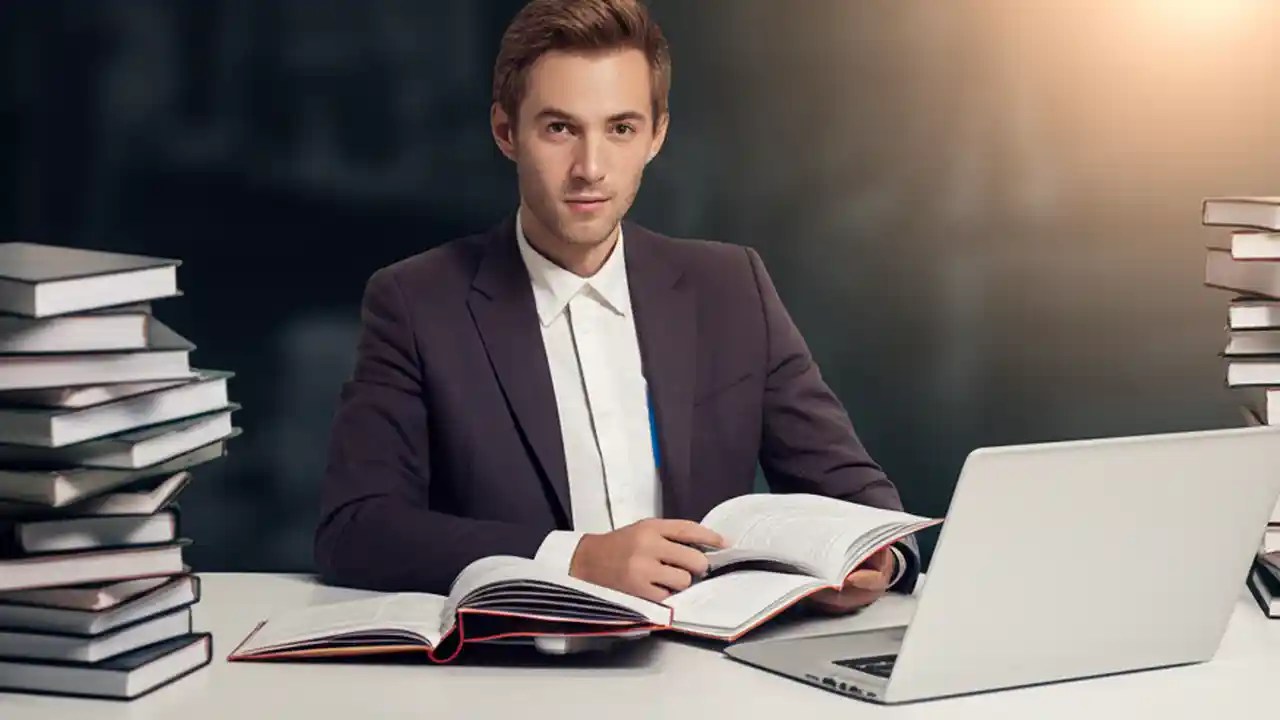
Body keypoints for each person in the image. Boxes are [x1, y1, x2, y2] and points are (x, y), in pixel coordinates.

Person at [314, 0, 918, 615]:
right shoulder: (416, 302)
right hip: (513, 674)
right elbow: (356, 531)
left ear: (656, 135)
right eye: (559, 129)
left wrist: (876, 558)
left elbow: (854, 494)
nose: (590, 168)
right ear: (506, 132)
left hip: (708, 670)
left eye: (620, 129)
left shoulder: (732, 287)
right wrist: (575, 558)